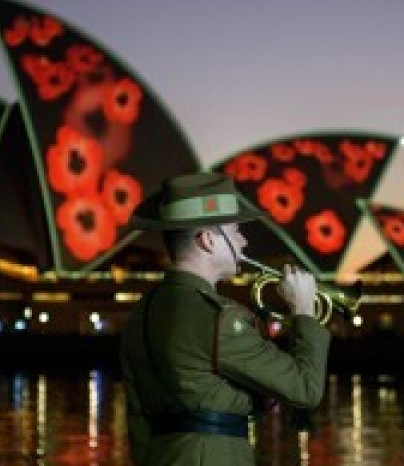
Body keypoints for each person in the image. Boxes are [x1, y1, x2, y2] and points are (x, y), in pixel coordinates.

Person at [120, 172, 331, 465]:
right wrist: (304, 309)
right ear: (208, 240)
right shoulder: (219, 319)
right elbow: (306, 389)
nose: (243, 241)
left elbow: (140, 422)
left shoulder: (141, 315)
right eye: (235, 231)